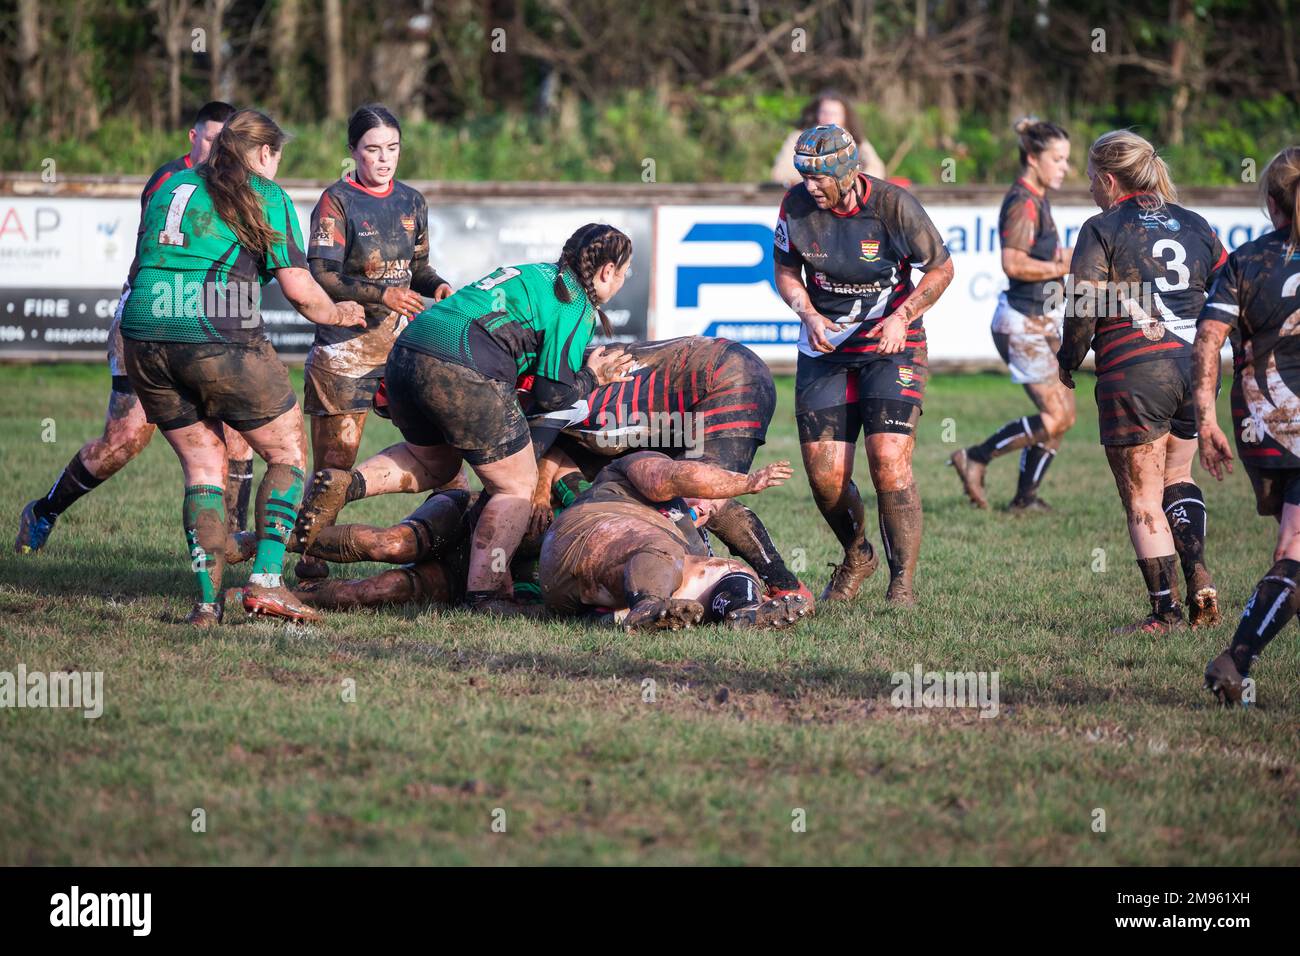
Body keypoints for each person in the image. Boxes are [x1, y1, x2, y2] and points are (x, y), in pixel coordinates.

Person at [293, 223, 636, 614]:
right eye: (625, 273)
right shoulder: (574, 303)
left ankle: (348, 482)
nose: (624, 281)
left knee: (433, 463)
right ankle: (486, 595)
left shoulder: (533, 272)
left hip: (408, 351)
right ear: (606, 271)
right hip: (461, 363)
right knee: (517, 486)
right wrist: (594, 376)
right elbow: (552, 394)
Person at [117, 108, 366, 625]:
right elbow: (300, 288)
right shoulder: (264, 193)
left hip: (141, 334)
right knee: (288, 453)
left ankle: (206, 605)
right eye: (277, 154)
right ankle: (267, 583)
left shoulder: (174, 183)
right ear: (263, 153)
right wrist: (336, 311)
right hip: (213, 334)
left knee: (202, 469)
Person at [16, 102, 258, 556]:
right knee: (124, 440)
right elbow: (162, 260)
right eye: (211, 139)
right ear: (192, 137)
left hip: (210, 319)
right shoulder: (171, 183)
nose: (219, 149)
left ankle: (230, 543)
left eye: (228, 142)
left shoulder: (240, 188)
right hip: (151, 314)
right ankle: (44, 509)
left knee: (239, 430)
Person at [773, 124, 954, 605]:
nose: (810, 186)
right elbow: (787, 269)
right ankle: (858, 554)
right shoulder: (794, 207)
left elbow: (941, 269)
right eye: (803, 175)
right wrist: (807, 312)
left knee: (889, 460)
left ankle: (902, 585)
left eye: (820, 177)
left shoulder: (894, 206)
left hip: (893, 344)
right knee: (824, 476)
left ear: (848, 172)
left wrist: (905, 315)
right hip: (826, 348)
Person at [1057, 130, 1226, 633]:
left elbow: (1084, 304)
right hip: (1196, 368)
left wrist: (1069, 357)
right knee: (1179, 475)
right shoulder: (1195, 224)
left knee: (1142, 494)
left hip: (1137, 372)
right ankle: (1198, 576)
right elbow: (1224, 293)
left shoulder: (1102, 227)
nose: (1089, 189)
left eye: (1091, 179)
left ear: (1109, 180)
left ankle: (1165, 612)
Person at [525, 335, 810, 602]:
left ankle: (773, 586)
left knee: (699, 499)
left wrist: (538, 496)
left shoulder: (548, 393)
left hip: (727, 380)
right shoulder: (552, 390)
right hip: (681, 401)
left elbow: (542, 451)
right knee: (672, 499)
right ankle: (775, 584)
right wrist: (540, 494)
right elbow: (553, 450)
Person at [296, 104, 454, 580]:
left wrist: (438, 286)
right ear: (352, 152)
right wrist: (381, 293)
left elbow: (418, 269)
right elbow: (320, 273)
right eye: (372, 150)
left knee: (444, 451)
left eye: (392, 149)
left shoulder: (412, 202)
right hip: (345, 350)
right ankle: (309, 555)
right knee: (335, 463)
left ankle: (447, 550)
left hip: (403, 348)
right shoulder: (337, 201)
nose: (384, 160)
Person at [1194, 146, 1300, 704]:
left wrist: (1207, 420)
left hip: (1261, 421)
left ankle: (1242, 663)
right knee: (1295, 548)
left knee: (1291, 544)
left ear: (1269, 200)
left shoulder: (1247, 261)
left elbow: (1208, 341)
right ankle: (1235, 659)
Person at [951, 118, 1075, 512]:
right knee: (1055, 416)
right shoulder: (1022, 202)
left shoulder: (1038, 197)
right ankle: (976, 457)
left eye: (1066, 160)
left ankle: (1024, 498)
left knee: (1065, 415)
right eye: (1057, 159)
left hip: (1041, 320)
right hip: (1022, 324)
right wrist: (1065, 265)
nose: (1064, 168)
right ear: (1033, 158)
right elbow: (1013, 263)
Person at [539, 451, 809, 630]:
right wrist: (746, 483)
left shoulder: (688, 540)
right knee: (661, 548)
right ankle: (646, 607)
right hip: (583, 538)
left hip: (608, 585)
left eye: (711, 513)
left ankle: (746, 613)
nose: (704, 510)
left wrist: (780, 584)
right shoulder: (634, 471)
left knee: (728, 571)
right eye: (708, 498)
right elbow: (663, 479)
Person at [772, 91, 886, 186]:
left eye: (834, 114)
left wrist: (850, 181)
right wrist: (819, 178)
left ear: (845, 117)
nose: (829, 118)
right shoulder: (800, 138)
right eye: (824, 112)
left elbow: (877, 169)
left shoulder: (853, 139)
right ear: (816, 114)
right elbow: (780, 173)